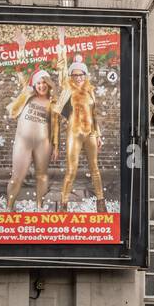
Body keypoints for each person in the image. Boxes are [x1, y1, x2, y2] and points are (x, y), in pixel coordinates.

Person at [4, 69, 58, 210]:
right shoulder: (27, 95)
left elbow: (56, 126)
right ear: (35, 84)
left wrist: (56, 146)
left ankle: (39, 207)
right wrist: (22, 49)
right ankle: (9, 208)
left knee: (42, 176)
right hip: (23, 142)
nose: (42, 86)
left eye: (44, 83)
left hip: (43, 143)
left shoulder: (52, 103)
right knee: (16, 178)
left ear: (49, 85)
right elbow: (20, 72)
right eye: (39, 83)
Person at [57, 56, 106, 212]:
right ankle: (64, 204)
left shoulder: (90, 91)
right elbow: (58, 110)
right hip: (74, 133)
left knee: (95, 169)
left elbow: (94, 115)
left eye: (81, 74)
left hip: (90, 133)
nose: (78, 78)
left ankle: (101, 203)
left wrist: (98, 136)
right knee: (71, 170)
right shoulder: (68, 90)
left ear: (85, 75)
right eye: (75, 75)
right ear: (71, 76)